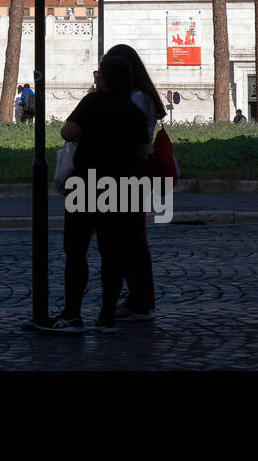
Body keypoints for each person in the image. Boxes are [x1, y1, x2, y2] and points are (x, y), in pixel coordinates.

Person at [46, 55, 150, 333]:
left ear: (103, 78)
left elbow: (66, 132)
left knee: (77, 252)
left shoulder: (92, 102)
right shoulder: (135, 113)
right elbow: (142, 155)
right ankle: (106, 316)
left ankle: (72, 314)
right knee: (113, 254)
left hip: (86, 185)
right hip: (121, 188)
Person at [101, 44, 165, 321]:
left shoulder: (136, 99)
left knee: (131, 241)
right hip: (136, 172)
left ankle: (139, 300)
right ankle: (138, 297)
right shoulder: (145, 96)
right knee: (133, 239)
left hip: (127, 172)